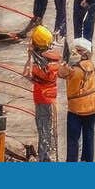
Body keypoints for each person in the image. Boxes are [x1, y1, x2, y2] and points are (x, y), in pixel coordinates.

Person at [23, 25, 62, 162]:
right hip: (50, 99)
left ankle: (44, 158)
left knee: (43, 129)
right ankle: (47, 155)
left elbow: (26, 74)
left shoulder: (39, 66)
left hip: (42, 100)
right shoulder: (53, 59)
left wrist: (29, 57)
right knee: (48, 128)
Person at [61, 38, 95, 162]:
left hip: (76, 110)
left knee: (73, 139)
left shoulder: (75, 71)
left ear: (83, 53)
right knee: (89, 135)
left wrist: (64, 63)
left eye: (77, 50)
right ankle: (88, 161)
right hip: (93, 107)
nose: (74, 52)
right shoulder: (91, 65)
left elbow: (61, 73)